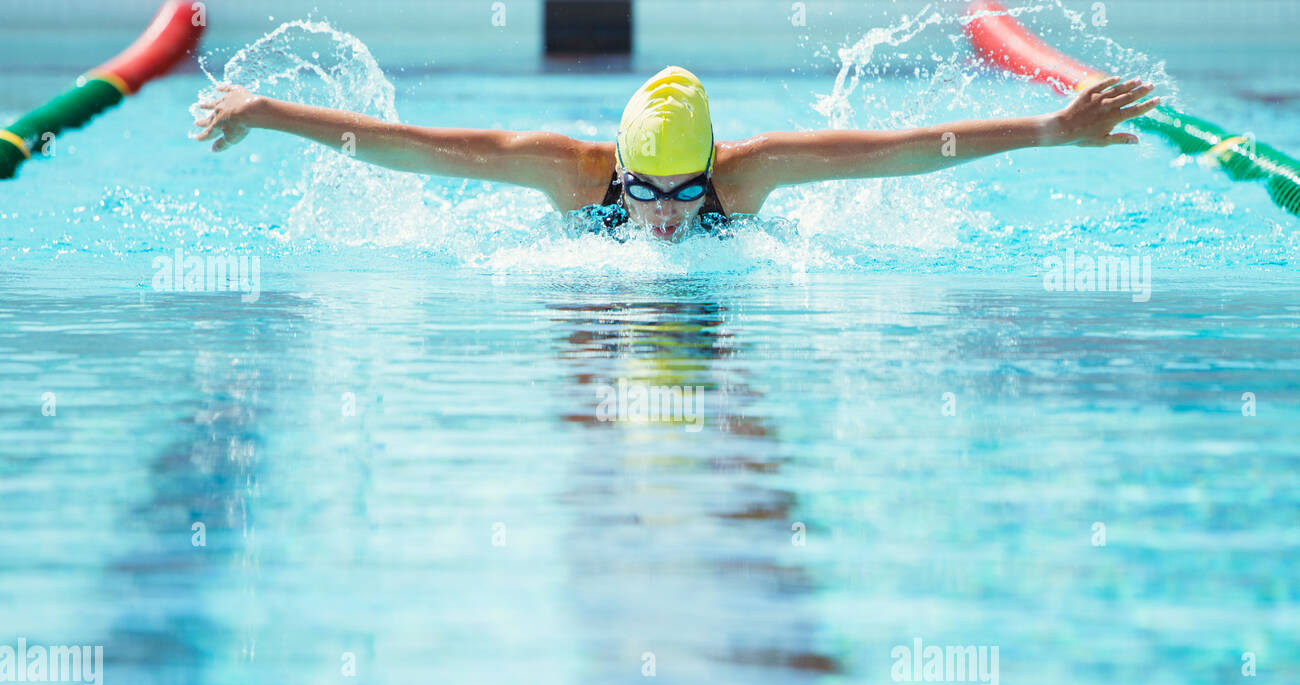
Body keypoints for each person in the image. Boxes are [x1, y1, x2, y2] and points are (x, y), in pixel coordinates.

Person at [193, 65, 1159, 242]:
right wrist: (267, 111)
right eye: (643, 188)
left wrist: (1053, 130)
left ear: (713, 169)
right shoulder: (568, 172)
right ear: (616, 167)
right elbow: (413, 151)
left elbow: (902, 154)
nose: (659, 211)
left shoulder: (748, 173)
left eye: (683, 190)